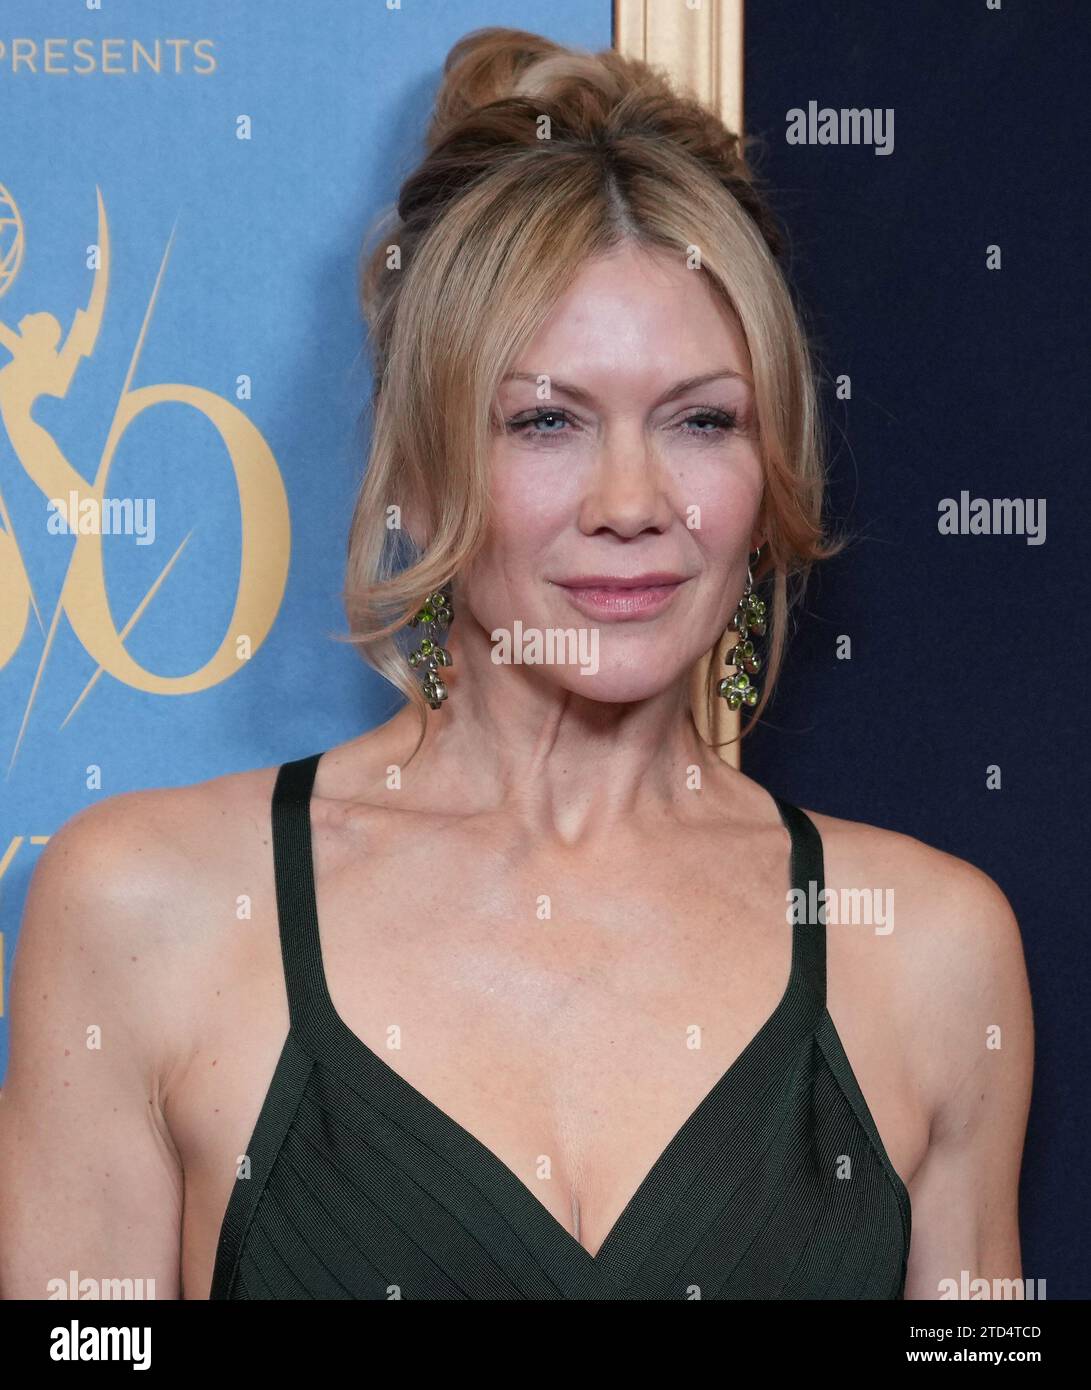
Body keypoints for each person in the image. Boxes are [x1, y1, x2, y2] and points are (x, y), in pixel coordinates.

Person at [0, 27, 1032, 1301]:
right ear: (423, 462)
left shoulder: (929, 948)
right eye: (545, 420)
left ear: (767, 474)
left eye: (700, 420)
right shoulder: (143, 909)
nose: (629, 500)